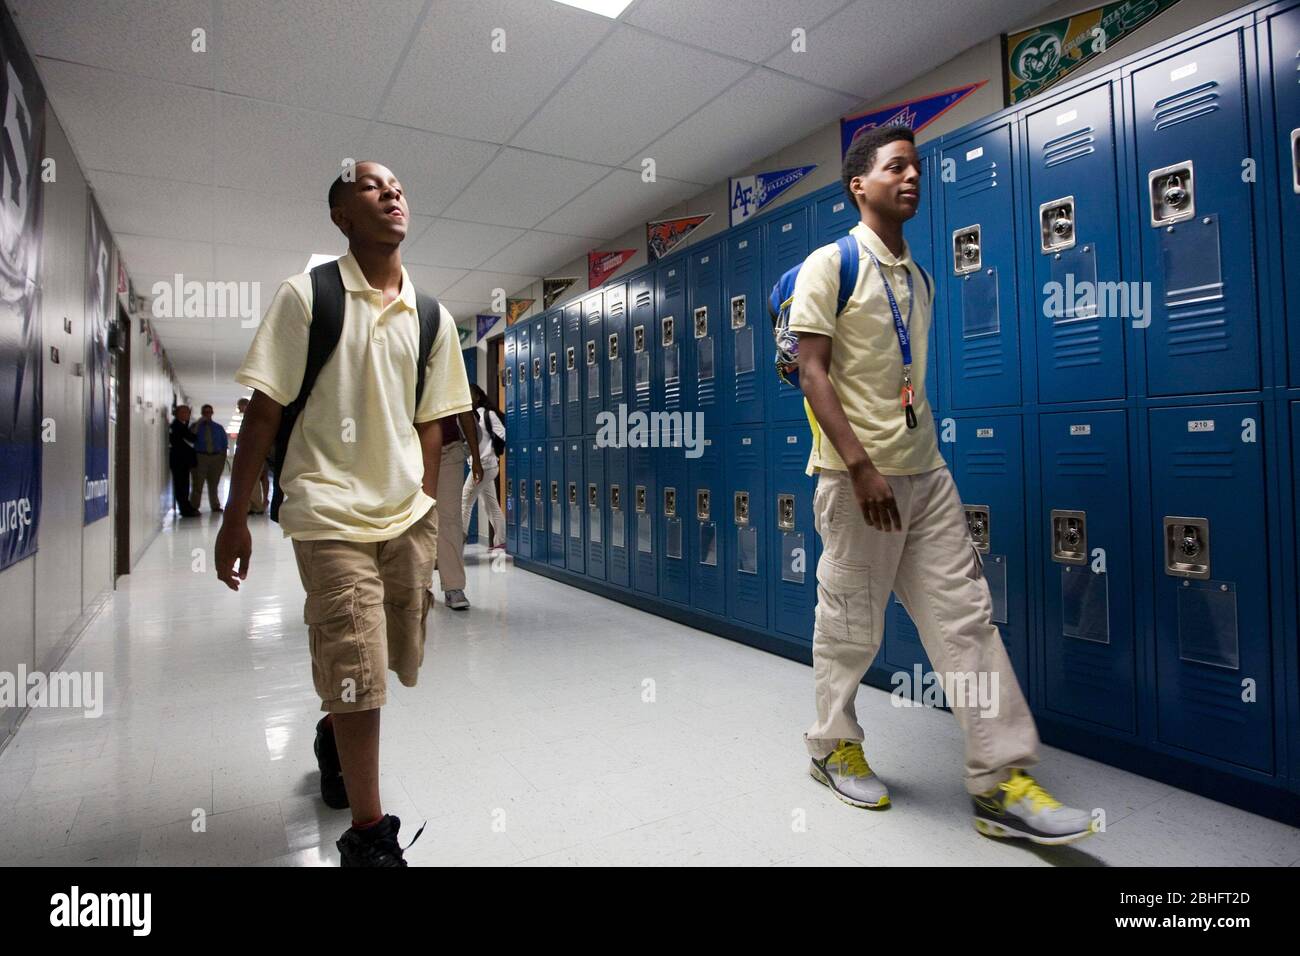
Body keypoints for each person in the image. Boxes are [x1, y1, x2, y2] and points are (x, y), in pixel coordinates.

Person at [790, 125, 1095, 845]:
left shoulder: (919, 279)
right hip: (854, 477)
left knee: (965, 621)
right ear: (858, 185)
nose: (912, 177)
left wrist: (908, 458)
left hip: (925, 475)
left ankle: (1000, 781)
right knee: (850, 627)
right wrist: (862, 466)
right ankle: (832, 746)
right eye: (896, 167)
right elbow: (811, 371)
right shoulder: (828, 264)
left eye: (917, 168)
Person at [214, 161, 472, 866]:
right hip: (326, 513)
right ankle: (369, 839)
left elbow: (432, 419)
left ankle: (333, 732)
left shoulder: (431, 316)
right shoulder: (308, 297)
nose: (391, 192)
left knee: (388, 657)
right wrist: (235, 516)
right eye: (369, 186)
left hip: (402, 516)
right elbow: (265, 413)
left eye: (396, 185)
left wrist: (420, 499)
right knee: (358, 662)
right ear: (341, 216)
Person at [434, 407, 483, 611]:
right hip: (410, 448)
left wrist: (476, 459)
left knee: (450, 519)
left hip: (448, 450)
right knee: (412, 520)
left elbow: (464, 414)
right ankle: (415, 585)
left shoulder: (452, 375)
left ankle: (453, 587)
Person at [460, 384, 506, 552]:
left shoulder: (488, 414)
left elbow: (503, 434)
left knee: (465, 502)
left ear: (478, 396)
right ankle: (501, 540)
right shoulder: (469, 415)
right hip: (481, 467)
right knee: (491, 504)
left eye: (470, 394)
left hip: (485, 466)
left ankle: (458, 544)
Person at [189, 404, 227, 513]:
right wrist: (198, 423)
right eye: (205, 412)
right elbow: (191, 437)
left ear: (212, 413)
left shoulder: (218, 428)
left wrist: (222, 457)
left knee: (214, 483)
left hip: (216, 458)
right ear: (202, 413)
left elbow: (224, 443)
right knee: (198, 483)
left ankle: (215, 505)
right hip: (201, 457)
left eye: (209, 412)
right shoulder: (195, 426)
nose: (207, 414)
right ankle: (194, 506)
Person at [237, 396, 269, 514]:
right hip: (252, 452)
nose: (239, 409)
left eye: (240, 406)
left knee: (254, 479)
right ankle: (251, 504)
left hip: (256, 453)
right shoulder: (248, 418)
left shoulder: (254, 418)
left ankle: (256, 505)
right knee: (252, 479)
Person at [168, 404, 199, 517]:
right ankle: (184, 508)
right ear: (178, 414)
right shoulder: (177, 426)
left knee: (184, 485)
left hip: (183, 461)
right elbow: (191, 439)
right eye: (185, 412)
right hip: (179, 461)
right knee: (181, 485)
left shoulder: (183, 425)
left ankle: (186, 506)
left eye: (188, 413)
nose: (187, 415)